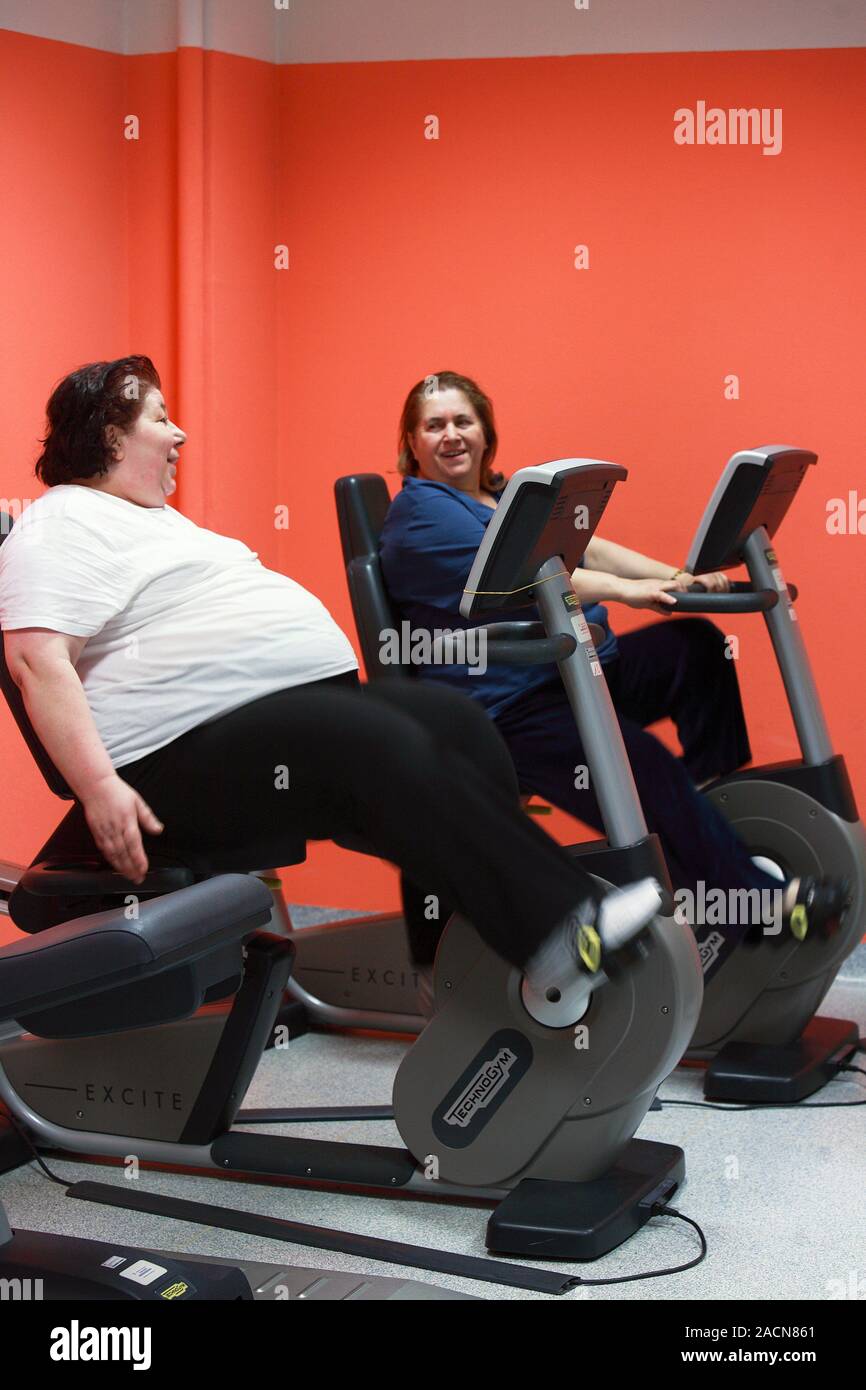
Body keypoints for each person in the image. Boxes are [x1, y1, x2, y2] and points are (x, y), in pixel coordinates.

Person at [0, 356, 666, 1018]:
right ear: (111, 436)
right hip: (169, 765)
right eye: (161, 418)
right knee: (367, 740)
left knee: (453, 722)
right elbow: (37, 660)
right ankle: (561, 925)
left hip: (258, 726)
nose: (180, 436)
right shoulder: (61, 522)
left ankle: (455, 966)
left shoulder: (151, 520)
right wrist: (99, 789)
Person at [379, 370, 848, 978]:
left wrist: (673, 577)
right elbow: (533, 580)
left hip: (574, 671)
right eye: (433, 425)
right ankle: (756, 907)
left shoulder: (495, 497)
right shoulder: (421, 516)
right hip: (508, 708)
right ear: (411, 442)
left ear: (485, 430)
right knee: (640, 766)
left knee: (694, 651)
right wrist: (634, 592)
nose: (451, 435)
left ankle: (711, 829)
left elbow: (587, 547)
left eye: (462, 420)